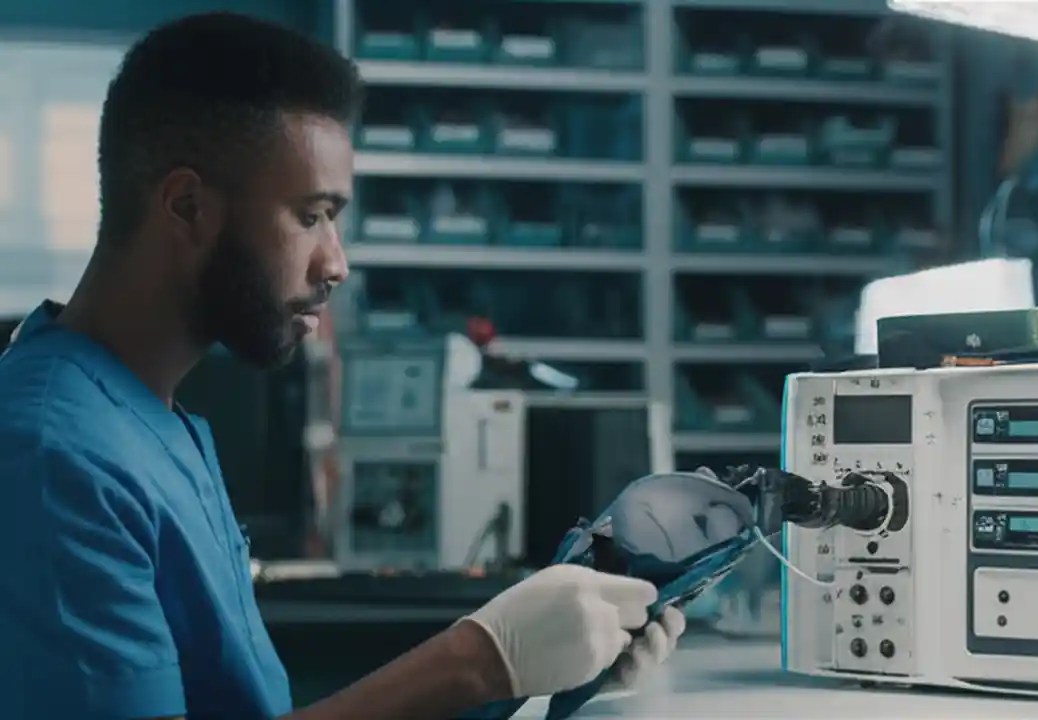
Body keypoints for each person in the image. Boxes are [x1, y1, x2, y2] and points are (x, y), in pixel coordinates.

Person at [0, 12, 685, 720]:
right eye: (310, 216)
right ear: (188, 206)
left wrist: (537, 677)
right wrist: (474, 660)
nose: (337, 263)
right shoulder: (55, 459)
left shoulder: (153, 423)